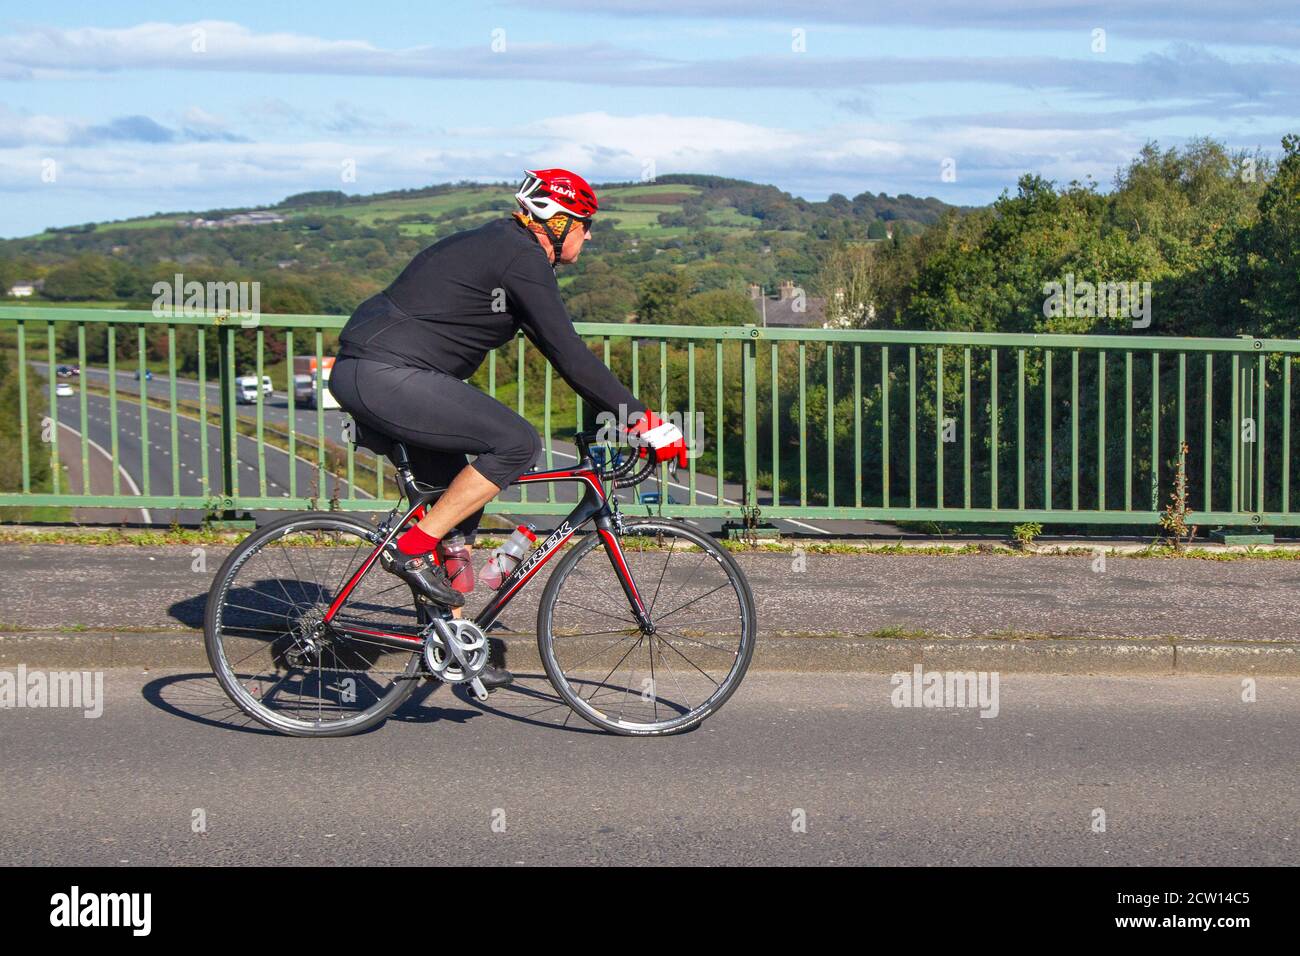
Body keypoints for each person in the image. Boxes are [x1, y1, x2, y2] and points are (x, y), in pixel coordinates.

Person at [330, 168, 687, 688]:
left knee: (456, 514)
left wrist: (613, 412)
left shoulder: (506, 249)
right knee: (517, 443)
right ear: (557, 221)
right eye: (585, 224)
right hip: (385, 373)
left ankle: (452, 646)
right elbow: (570, 352)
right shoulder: (520, 255)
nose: (590, 235)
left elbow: (558, 353)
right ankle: (409, 550)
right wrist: (643, 420)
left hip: (385, 372)